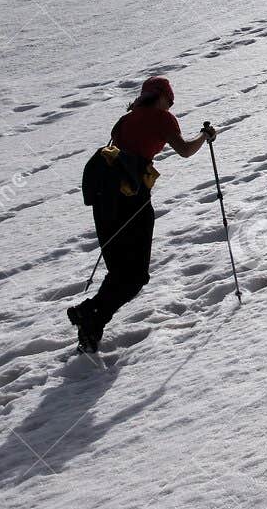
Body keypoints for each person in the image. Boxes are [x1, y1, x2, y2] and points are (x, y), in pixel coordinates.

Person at [68, 75, 215, 353]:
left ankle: (91, 326)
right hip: (131, 199)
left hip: (103, 199)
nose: (170, 106)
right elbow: (184, 151)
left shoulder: (125, 120)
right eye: (170, 101)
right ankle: (89, 313)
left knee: (120, 272)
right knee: (134, 276)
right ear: (161, 97)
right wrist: (205, 136)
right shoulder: (162, 118)